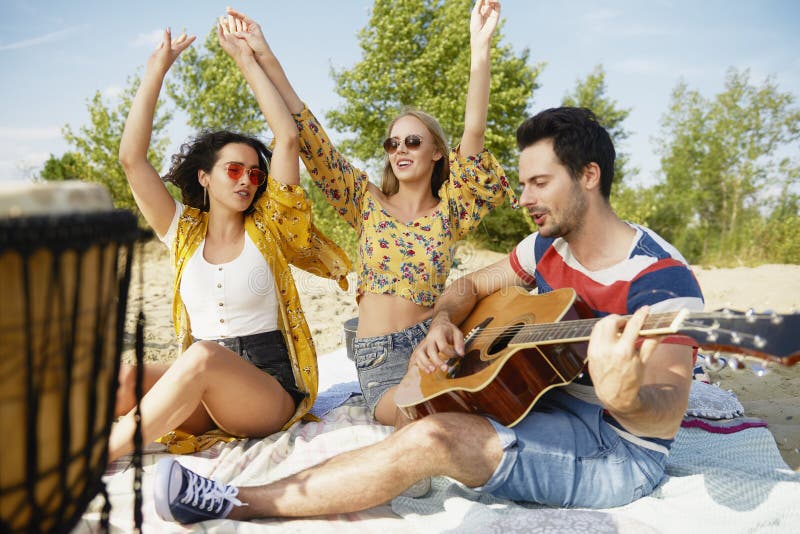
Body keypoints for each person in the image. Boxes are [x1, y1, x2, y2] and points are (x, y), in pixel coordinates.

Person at [152, 106, 705, 524]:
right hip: (549, 403)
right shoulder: (546, 248)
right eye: (524, 182)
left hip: (616, 450)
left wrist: (625, 393)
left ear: (588, 176)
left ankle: (234, 502)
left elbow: (662, 416)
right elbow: (469, 285)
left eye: (539, 184)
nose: (522, 198)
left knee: (432, 436)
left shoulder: (661, 281)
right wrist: (444, 319)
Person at [220, 1, 516, 427]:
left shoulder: (451, 209)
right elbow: (309, 132)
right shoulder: (365, 200)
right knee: (426, 420)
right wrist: (261, 52)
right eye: (392, 144)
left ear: (437, 152)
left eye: (413, 142)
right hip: (381, 356)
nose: (400, 150)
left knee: (465, 416)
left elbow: (474, 130)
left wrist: (480, 46)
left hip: (433, 340)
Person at [109, 19, 349, 462]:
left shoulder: (269, 227)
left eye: (255, 173)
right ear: (204, 177)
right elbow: (131, 160)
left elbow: (288, 137)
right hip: (205, 390)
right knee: (121, 380)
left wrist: (246, 59)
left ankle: (93, 459)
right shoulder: (182, 231)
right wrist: (156, 71)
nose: (247, 180)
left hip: (267, 390)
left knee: (201, 359)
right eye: (233, 170)